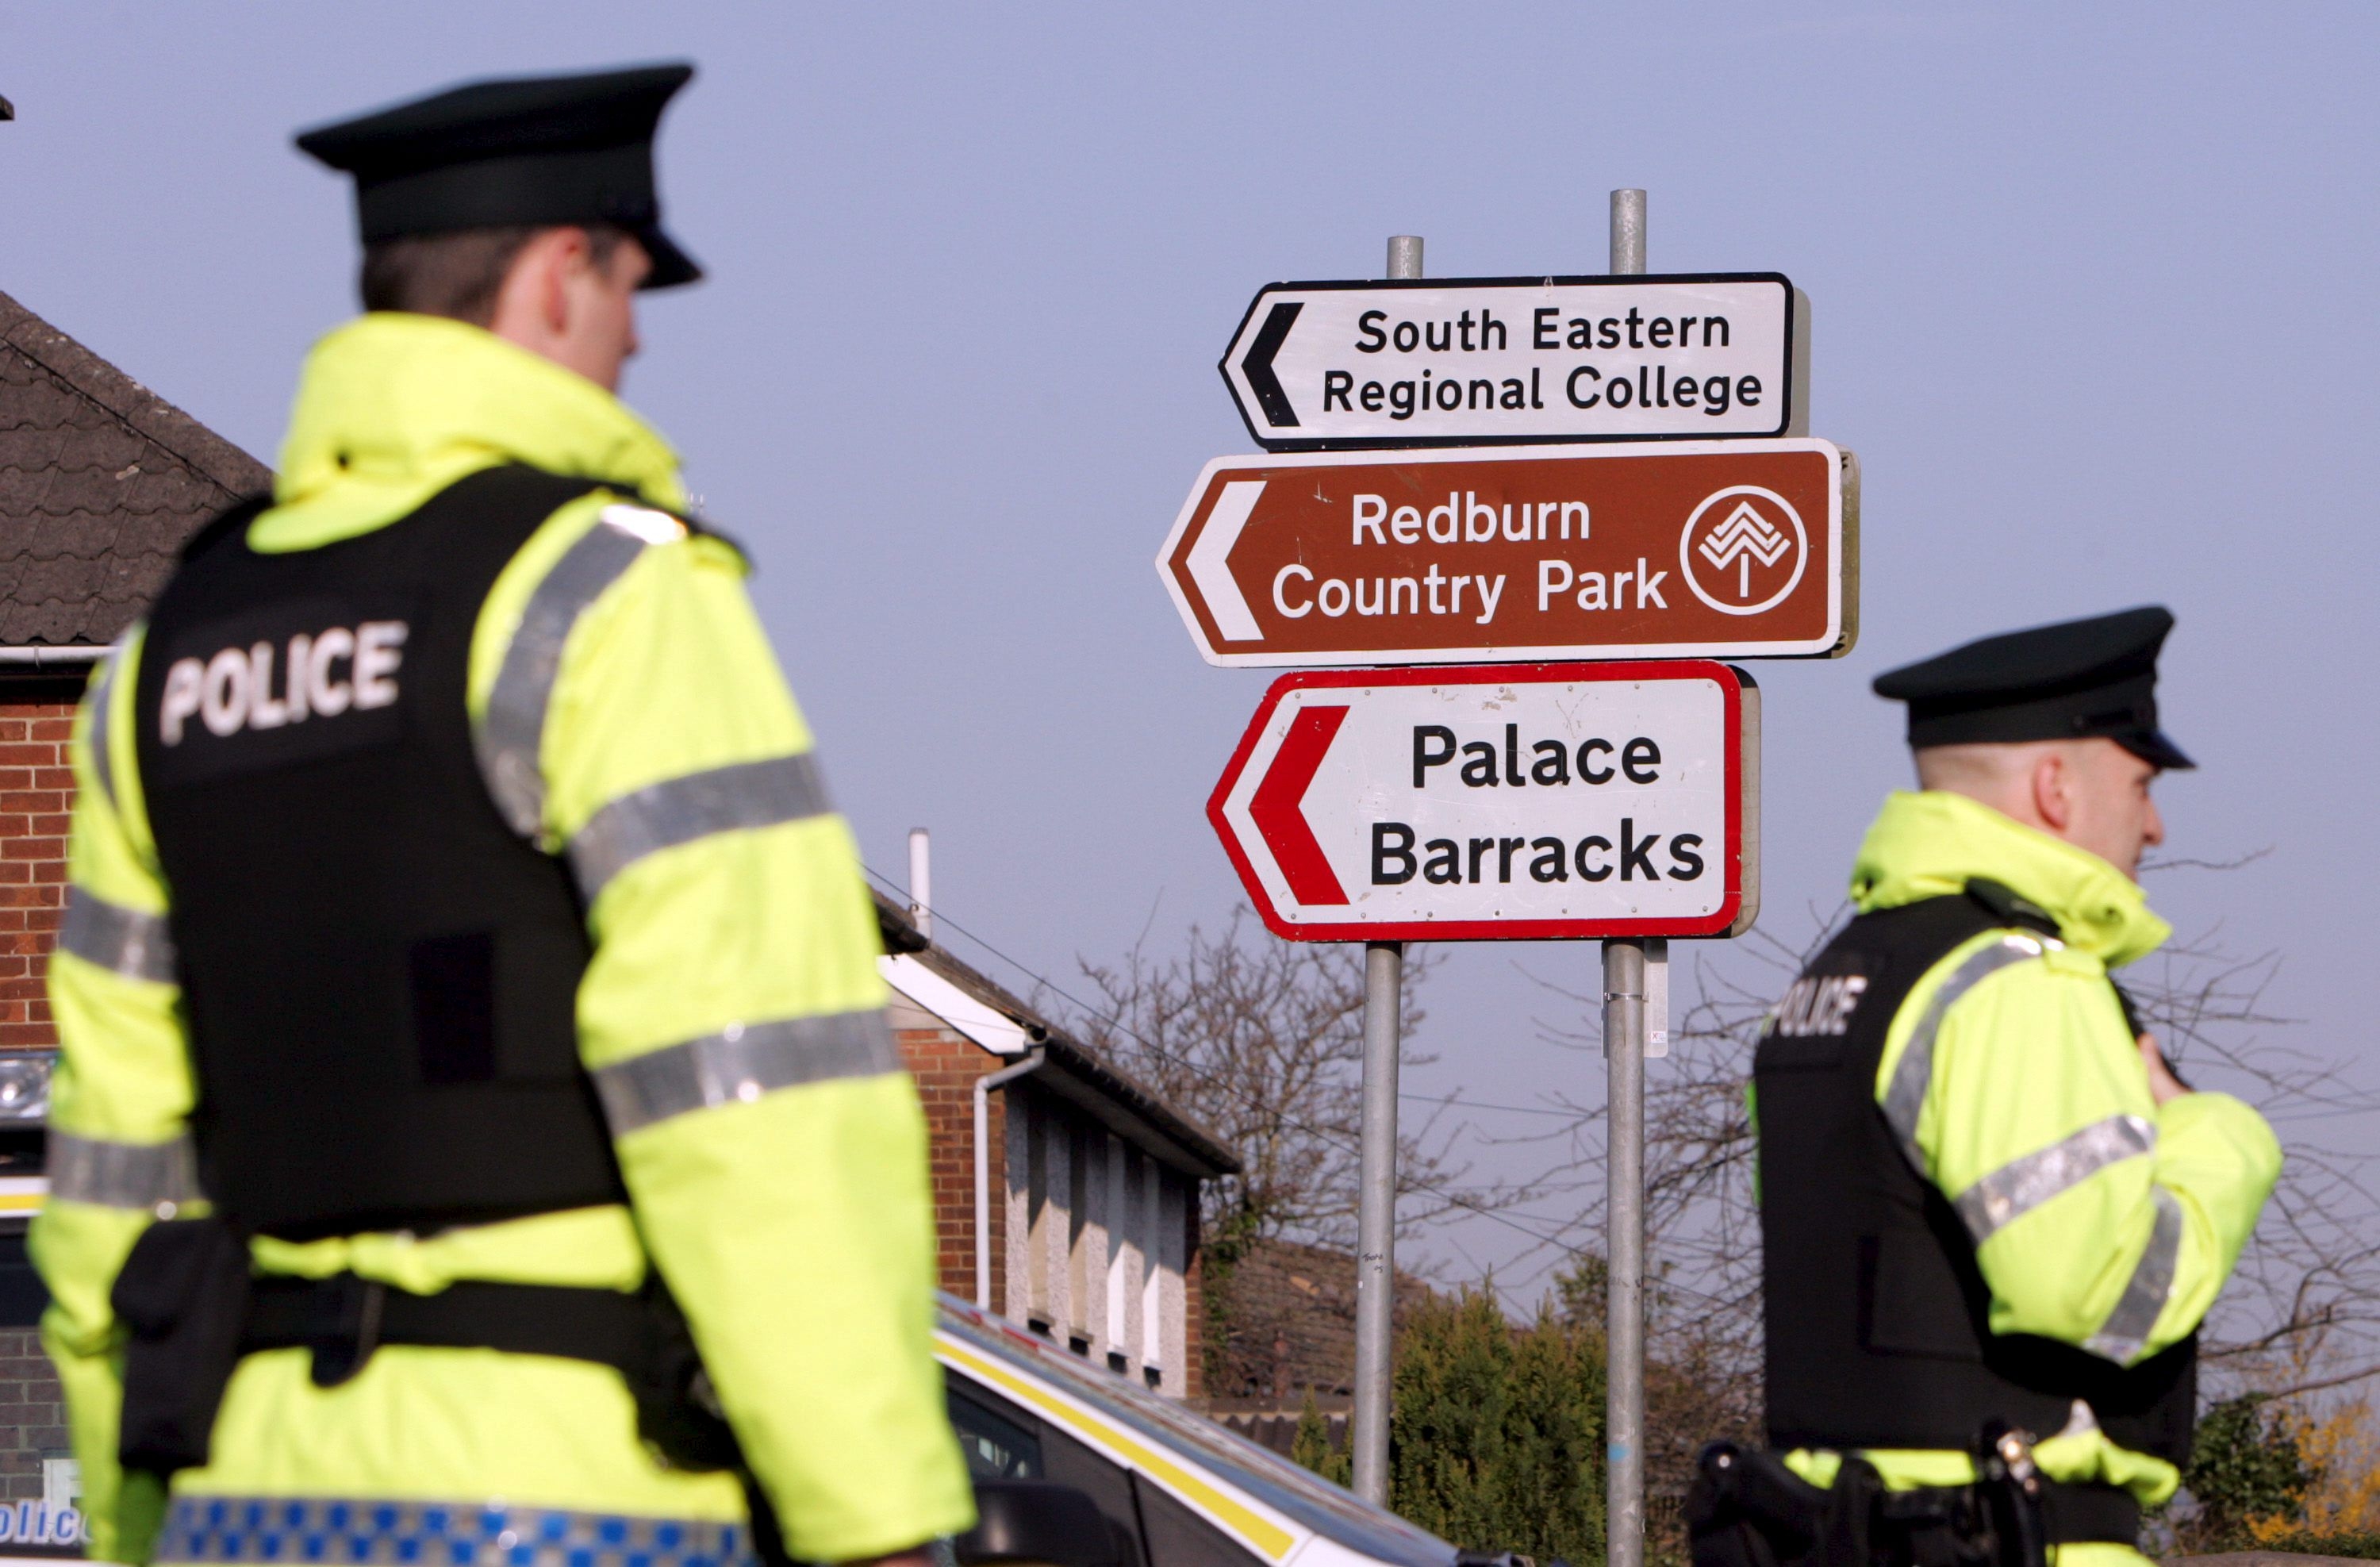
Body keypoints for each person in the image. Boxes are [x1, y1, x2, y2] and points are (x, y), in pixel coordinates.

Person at [29, 63, 973, 1567]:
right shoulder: (609, 597)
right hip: (568, 1492)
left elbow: (108, 1172)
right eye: (631, 287)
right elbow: (754, 1098)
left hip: (240, 1500)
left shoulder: (165, 661)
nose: (637, 337)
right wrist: (876, 1515)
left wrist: (139, 1516)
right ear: (555, 274)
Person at [1694, 607, 2282, 1567]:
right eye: (2141, 785)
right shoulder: (2017, 981)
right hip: (2014, 1541)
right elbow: (2095, 1294)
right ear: (2056, 787)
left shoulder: (1836, 981)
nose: (2156, 825)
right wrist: (2220, 1138)